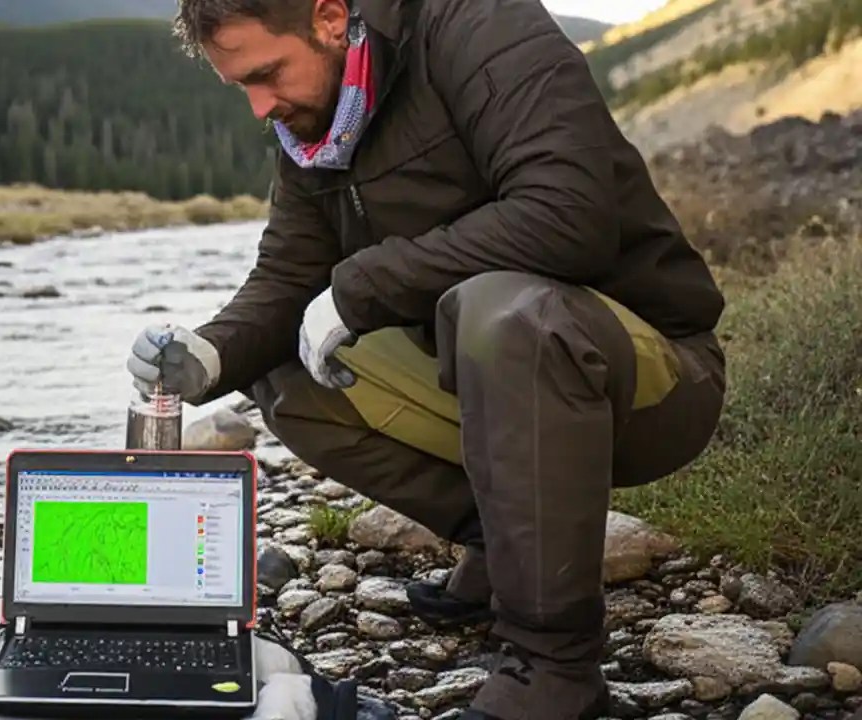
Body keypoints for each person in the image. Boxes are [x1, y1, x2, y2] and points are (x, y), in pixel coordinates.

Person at [125, 0, 727, 717]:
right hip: (493, 381)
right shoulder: (317, 124)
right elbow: (288, 278)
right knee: (280, 364)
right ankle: (507, 547)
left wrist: (361, 287)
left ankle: (556, 663)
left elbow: (567, 213)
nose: (260, 107)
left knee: (501, 312)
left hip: (647, 378)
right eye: (242, 87)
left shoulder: (480, 27)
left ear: (326, 16)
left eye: (266, 74)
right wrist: (208, 354)